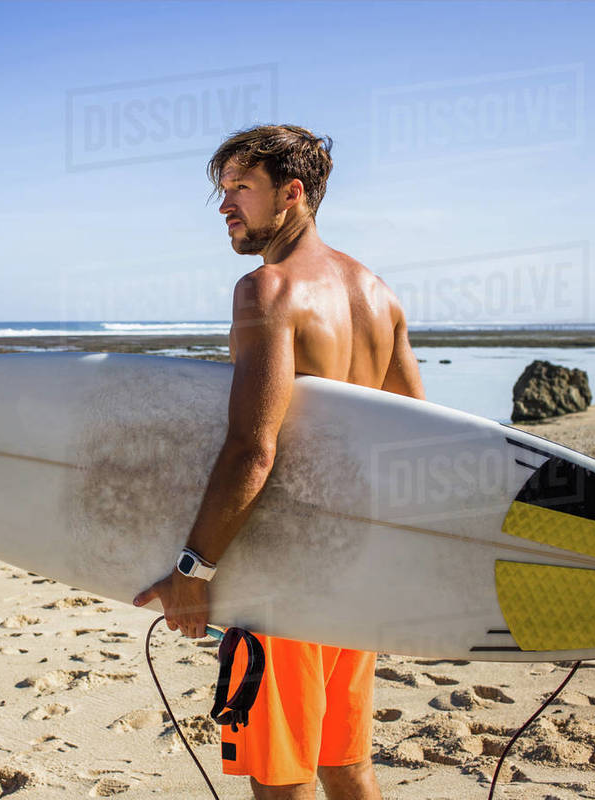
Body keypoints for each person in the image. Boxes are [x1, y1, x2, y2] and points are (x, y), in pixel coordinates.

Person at [133, 124, 425, 800]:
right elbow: (415, 438)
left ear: (292, 194)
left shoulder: (268, 289)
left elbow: (252, 448)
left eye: (241, 188)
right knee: (345, 763)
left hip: (285, 571)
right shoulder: (379, 295)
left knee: (281, 772)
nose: (225, 205)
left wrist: (193, 570)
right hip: (354, 563)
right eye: (223, 188)